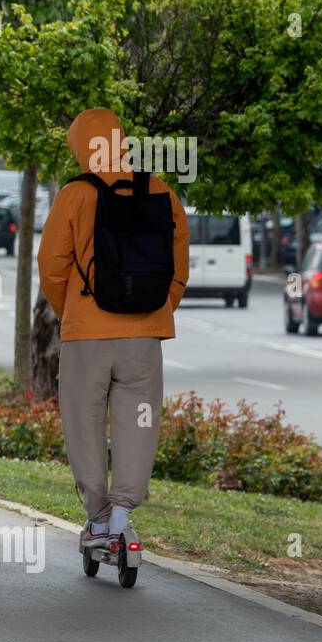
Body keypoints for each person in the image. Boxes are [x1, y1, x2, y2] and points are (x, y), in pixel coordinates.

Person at [37, 108, 189, 549]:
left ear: (81, 147)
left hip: (87, 334)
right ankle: (123, 515)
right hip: (144, 336)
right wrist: (162, 307)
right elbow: (178, 265)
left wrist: (72, 310)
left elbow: (51, 264)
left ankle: (98, 520)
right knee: (139, 421)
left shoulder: (75, 194)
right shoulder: (160, 191)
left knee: (83, 421)